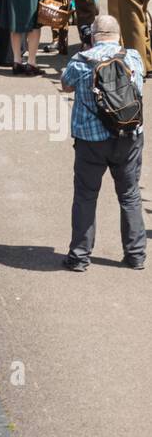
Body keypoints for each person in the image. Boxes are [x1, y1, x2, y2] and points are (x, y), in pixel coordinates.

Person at [60, 14, 145, 272]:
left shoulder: (80, 61)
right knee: (130, 195)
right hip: (128, 136)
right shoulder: (132, 58)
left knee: (86, 196)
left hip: (90, 141)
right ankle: (136, 255)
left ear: (93, 36)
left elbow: (65, 86)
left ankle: (79, 256)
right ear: (118, 35)